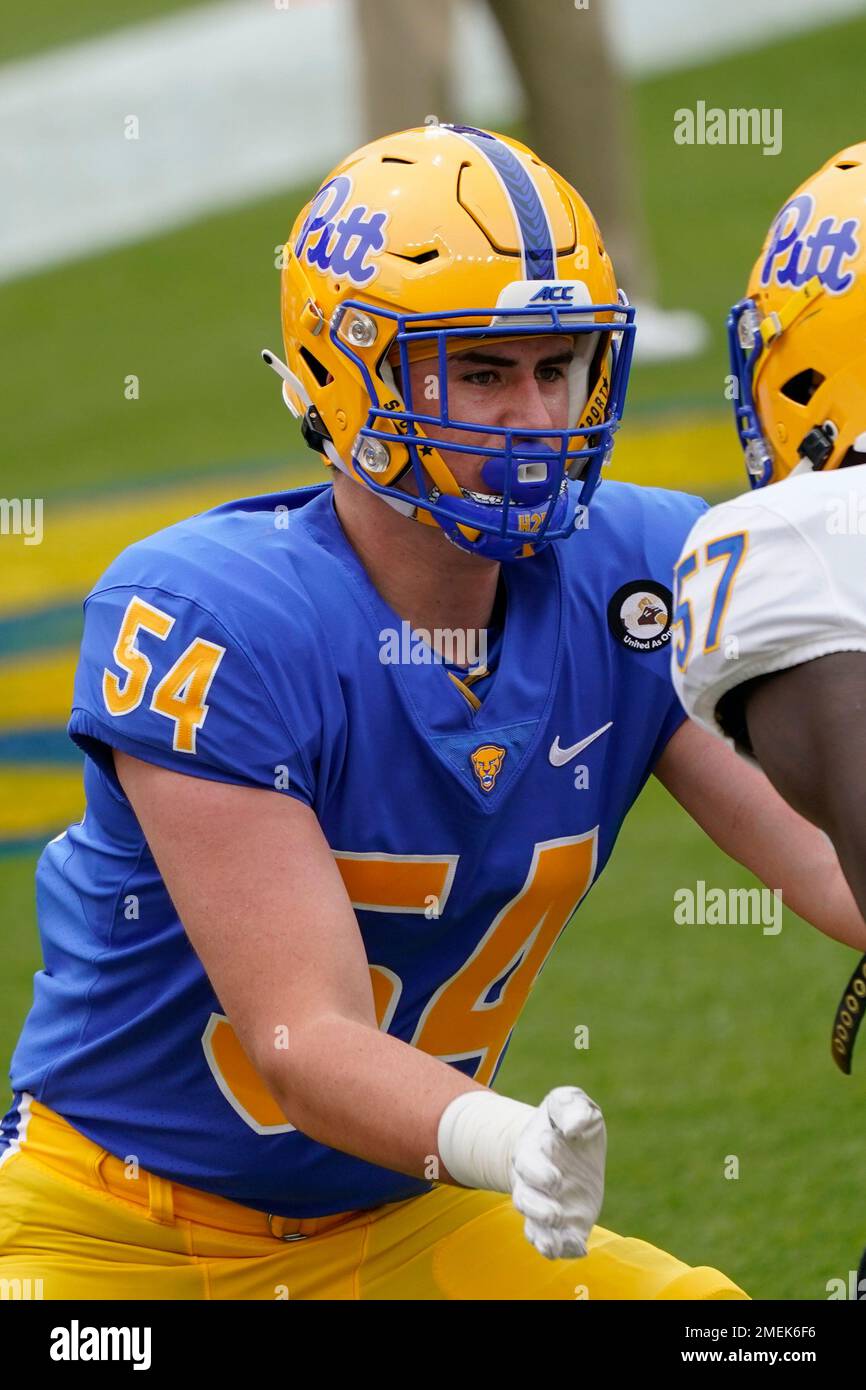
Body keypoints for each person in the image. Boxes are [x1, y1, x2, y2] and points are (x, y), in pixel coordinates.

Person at [2, 123, 864, 1302]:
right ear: (346, 376)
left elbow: (829, 864)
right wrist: (503, 1140)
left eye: (556, 366)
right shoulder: (216, 616)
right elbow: (302, 1040)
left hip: (399, 1227)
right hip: (110, 1234)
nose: (534, 416)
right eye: (482, 371)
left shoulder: (640, 574)